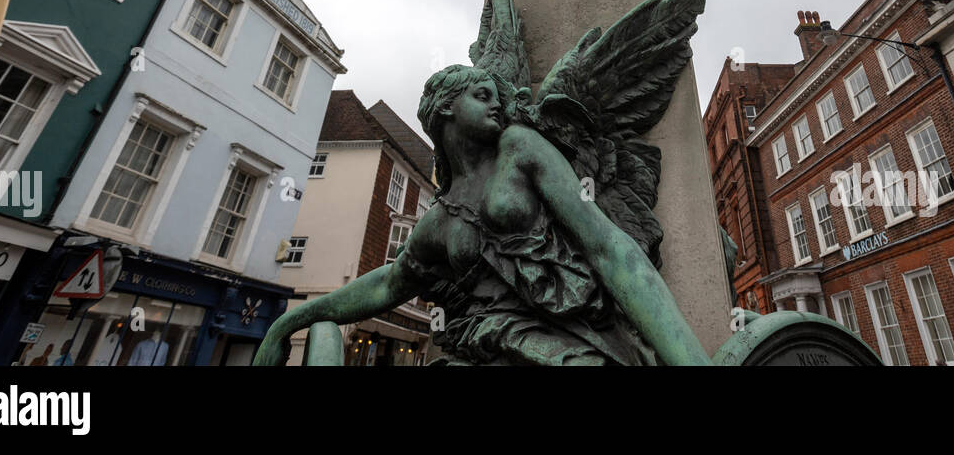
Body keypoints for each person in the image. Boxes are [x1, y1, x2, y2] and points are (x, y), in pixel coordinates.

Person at [255, 66, 711, 366]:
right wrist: (291, 320)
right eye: (482, 94)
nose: (497, 103)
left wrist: (689, 359)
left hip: (564, 331)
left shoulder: (519, 148)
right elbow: (388, 284)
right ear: (446, 107)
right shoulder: (440, 217)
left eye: (497, 95)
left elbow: (607, 246)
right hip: (484, 340)